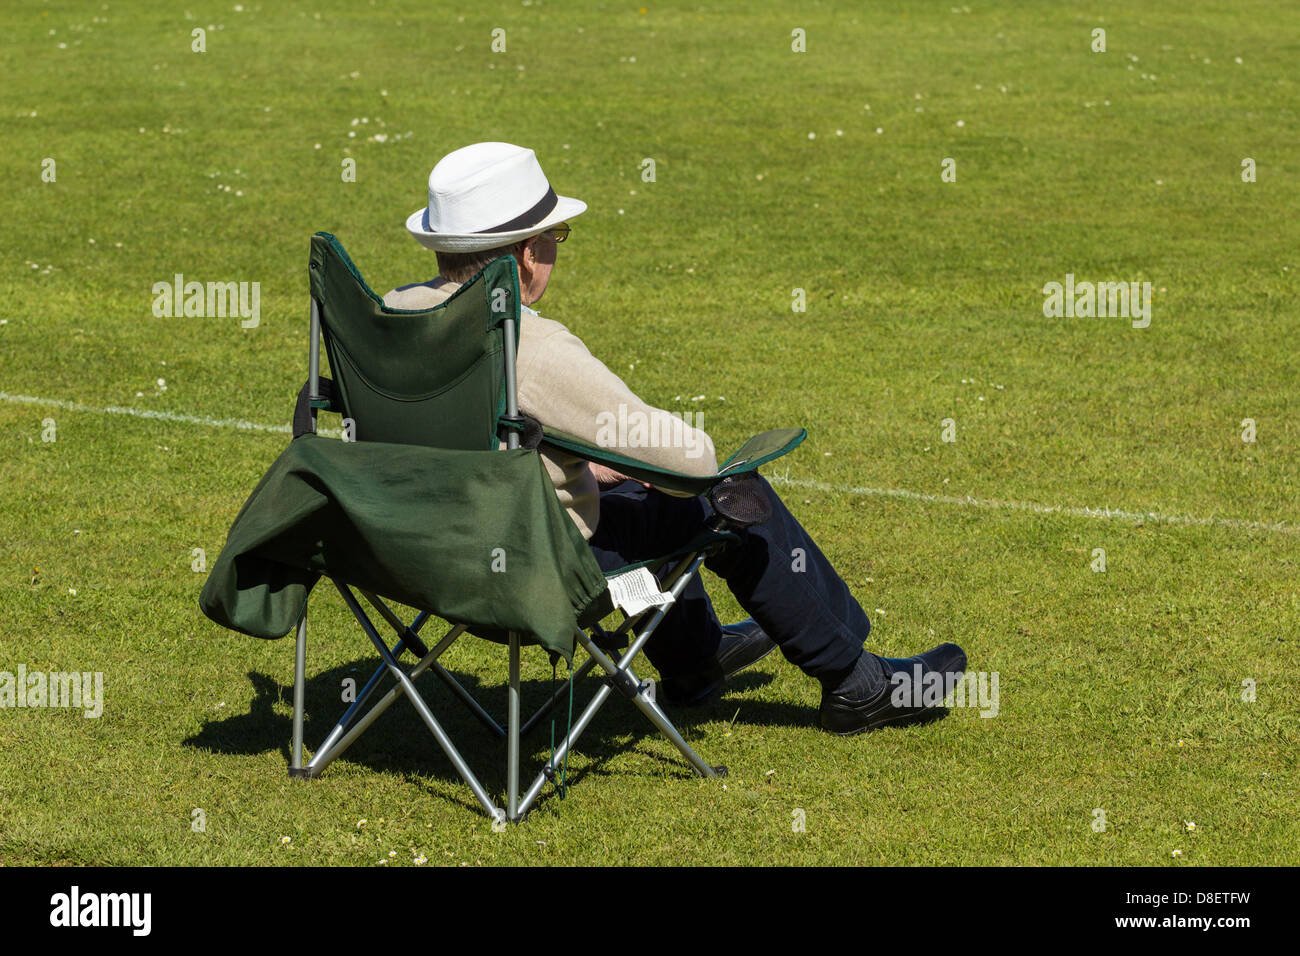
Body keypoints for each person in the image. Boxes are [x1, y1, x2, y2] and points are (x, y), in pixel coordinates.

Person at [383, 142, 967, 734]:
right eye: (555, 238)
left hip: (426, 557)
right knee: (731, 493)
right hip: (537, 573)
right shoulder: (529, 347)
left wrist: (584, 466)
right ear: (527, 255)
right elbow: (692, 461)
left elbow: (458, 448)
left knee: (635, 497)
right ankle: (856, 683)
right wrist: (629, 464)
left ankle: (694, 661)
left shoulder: (391, 317)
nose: (555, 252)